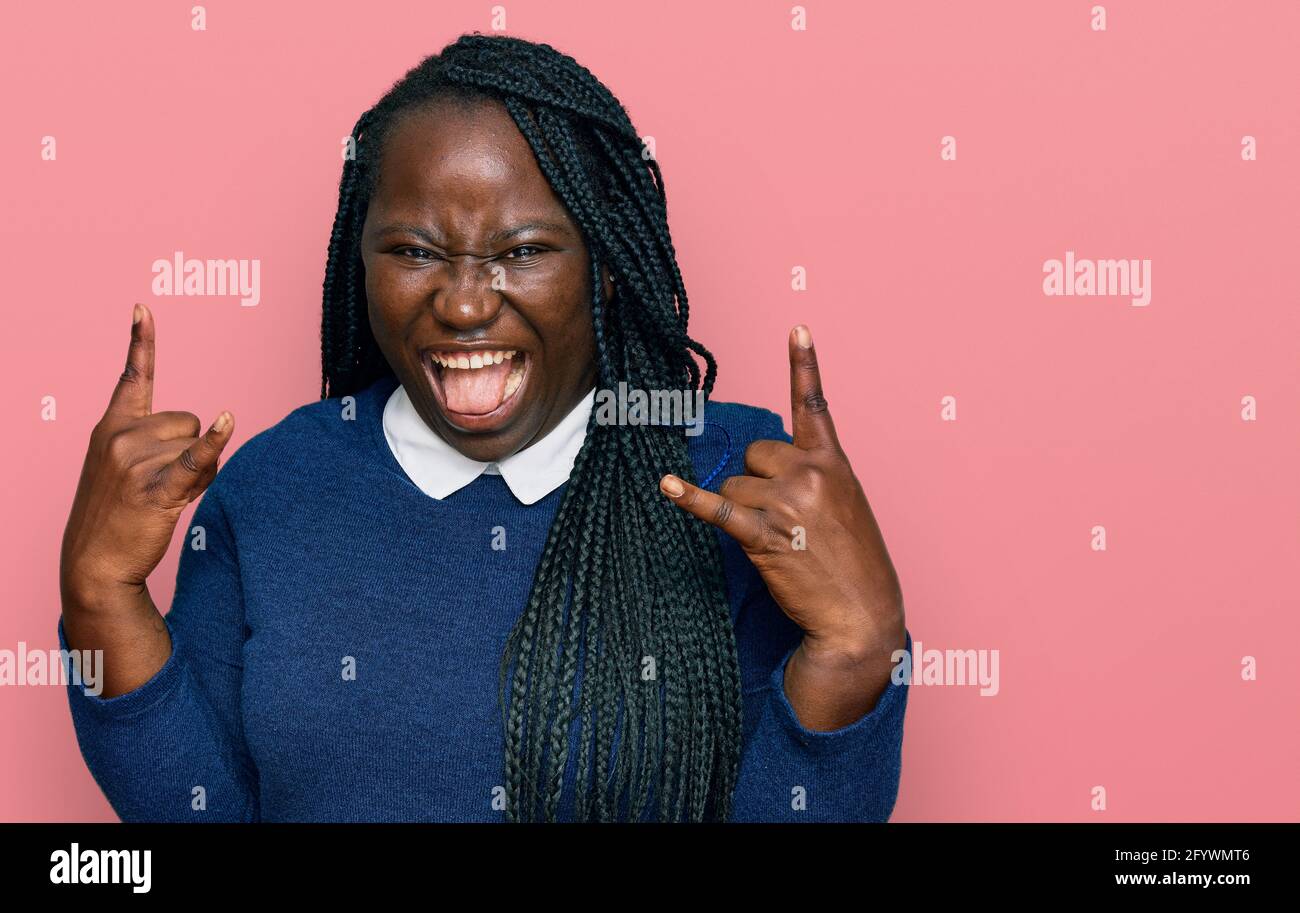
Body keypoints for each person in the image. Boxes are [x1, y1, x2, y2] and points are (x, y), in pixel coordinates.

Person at [58, 33, 910, 823]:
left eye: (524, 250)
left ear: (608, 267)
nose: (464, 303)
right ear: (361, 261)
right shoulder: (273, 484)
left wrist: (859, 649)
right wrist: (101, 595)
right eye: (416, 252)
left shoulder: (736, 485)